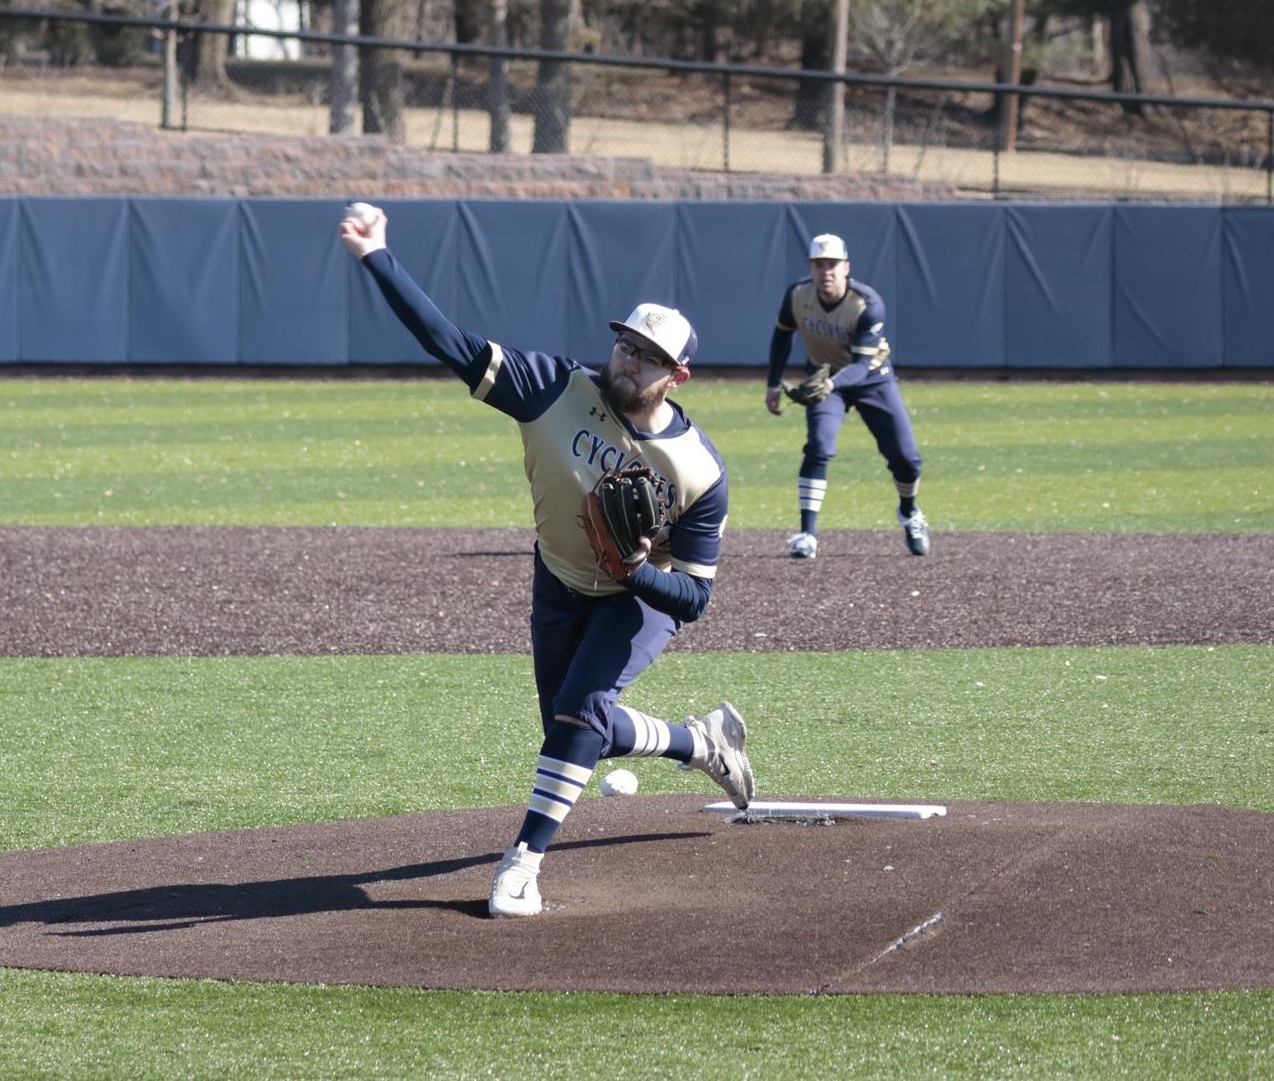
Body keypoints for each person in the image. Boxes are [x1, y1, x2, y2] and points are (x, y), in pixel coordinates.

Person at [338, 204, 754, 919]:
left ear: (676, 375)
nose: (630, 359)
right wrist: (378, 256)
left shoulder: (699, 470)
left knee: (580, 716)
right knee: (573, 728)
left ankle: (521, 864)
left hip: (636, 597)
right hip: (559, 581)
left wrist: (635, 575)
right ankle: (700, 741)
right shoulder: (554, 388)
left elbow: (695, 599)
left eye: (649, 356)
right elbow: (451, 343)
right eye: (626, 344)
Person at [764, 233, 929, 560]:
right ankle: (807, 534)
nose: (826, 271)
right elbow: (782, 335)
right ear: (811, 269)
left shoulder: (866, 304)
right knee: (819, 447)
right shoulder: (798, 295)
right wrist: (772, 383)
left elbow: (861, 365)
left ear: (846, 267)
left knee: (907, 459)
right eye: (818, 265)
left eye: (832, 265)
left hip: (872, 380)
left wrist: (830, 386)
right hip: (823, 376)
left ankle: (909, 513)